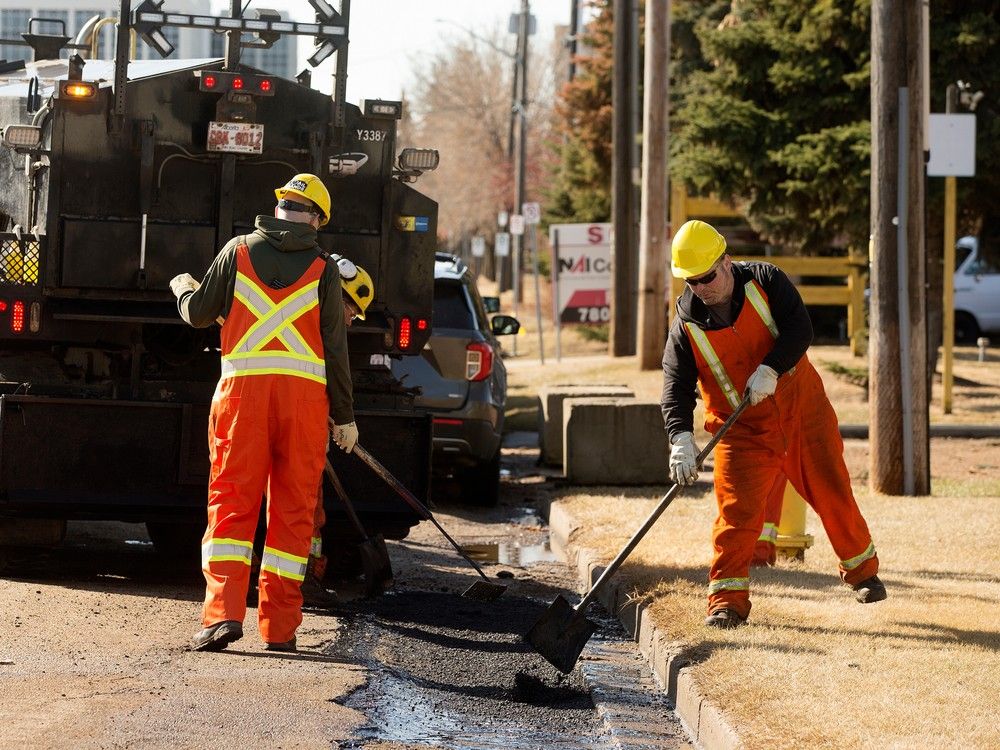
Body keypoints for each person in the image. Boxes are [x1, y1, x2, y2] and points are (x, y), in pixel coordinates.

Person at [660, 219, 886, 630]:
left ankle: (862, 573)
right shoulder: (684, 328)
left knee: (833, 491)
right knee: (735, 516)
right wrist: (679, 438)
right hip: (741, 432)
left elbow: (801, 328)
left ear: (726, 262)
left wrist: (771, 367)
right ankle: (726, 602)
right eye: (691, 281)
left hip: (803, 413)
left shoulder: (766, 281)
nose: (702, 287)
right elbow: (675, 388)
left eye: (708, 276)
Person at [170, 173, 360, 652]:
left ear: (279, 208)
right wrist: (346, 417)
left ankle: (221, 618)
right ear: (317, 219)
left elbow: (198, 315)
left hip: (242, 401)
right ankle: (279, 630)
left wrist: (182, 291)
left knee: (232, 504)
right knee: (294, 512)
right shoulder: (324, 268)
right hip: (304, 407)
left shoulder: (236, 252)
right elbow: (336, 350)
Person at [301, 258, 375, 607]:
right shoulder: (321, 326)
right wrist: (340, 417)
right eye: (351, 309)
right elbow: (332, 369)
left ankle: (304, 576)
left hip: (303, 417)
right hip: (299, 424)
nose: (350, 319)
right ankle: (303, 578)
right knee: (305, 507)